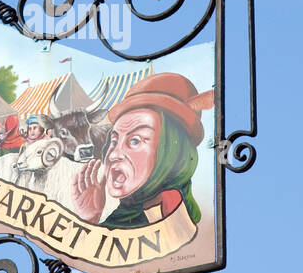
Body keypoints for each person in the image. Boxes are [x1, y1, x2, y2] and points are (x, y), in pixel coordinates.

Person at [71, 72, 214, 228]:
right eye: (114, 141)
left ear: (171, 152)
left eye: (134, 141)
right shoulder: (119, 219)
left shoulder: (176, 215)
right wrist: (90, 219)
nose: (113, 155)